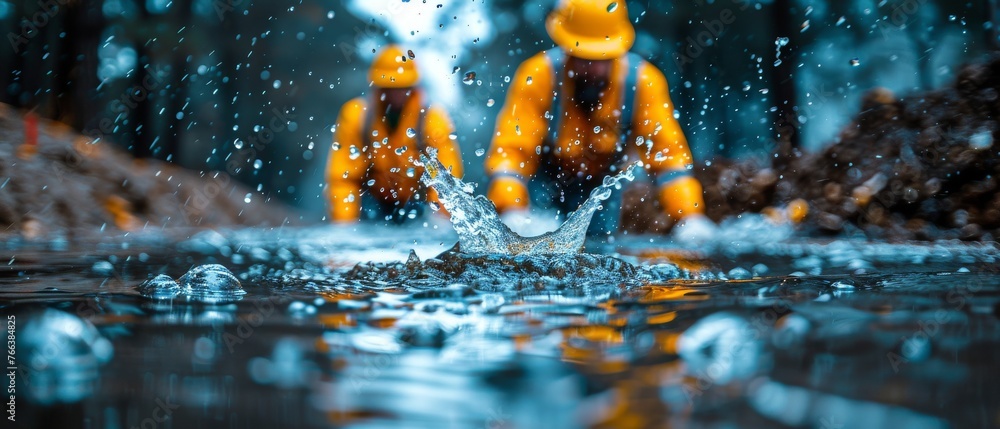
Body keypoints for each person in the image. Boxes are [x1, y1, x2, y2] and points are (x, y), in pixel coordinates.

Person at [484, 0, 707, 236]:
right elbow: (511, 152)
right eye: (582, 57)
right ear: (566, 48)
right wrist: (512, 209)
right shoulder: (538, 76)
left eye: (602, 58)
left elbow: (668, 159)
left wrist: (689, 217)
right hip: (546, 187)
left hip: (604, 187)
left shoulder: (644, 82)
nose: (592, 68)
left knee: (600, 250)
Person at [326, 45, 463, 223]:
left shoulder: (433, 119)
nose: (395, 94)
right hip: (372, 204)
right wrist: (344, 223)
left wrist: (441, 220)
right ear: (377, 88)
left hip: (417, 205)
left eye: (401, 87)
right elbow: (343, 178)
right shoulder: (356, 116)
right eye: (388, 87)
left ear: (413, 87)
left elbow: (445, 179)